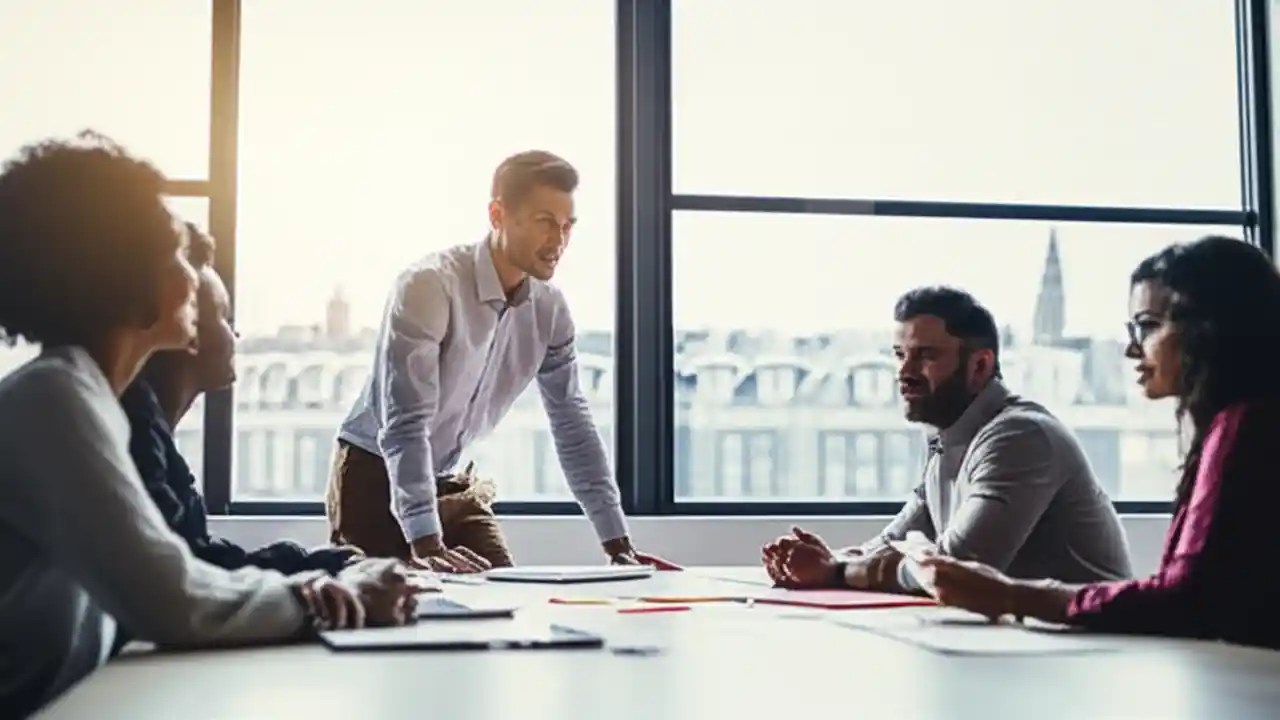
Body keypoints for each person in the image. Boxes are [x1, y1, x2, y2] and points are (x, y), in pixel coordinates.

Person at [0, 134, 415, 717]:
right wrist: (321, 599)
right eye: (174, 251)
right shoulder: (54, 399)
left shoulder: (77, 395)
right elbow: (171, 596)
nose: (194, 278)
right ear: (123, 272)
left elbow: (170, 577)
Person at [921, 237, 1280, 649]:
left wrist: (1012, 595)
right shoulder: (1243, 422)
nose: (1131, 349)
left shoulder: (1244, 425)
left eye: (1147, 326)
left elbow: (1186, 598)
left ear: (1211, 327)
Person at [327, 149, 674, 573]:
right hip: (371, 470)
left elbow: (572, 423)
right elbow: (404, 424)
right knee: (396, 608)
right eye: (546, 222)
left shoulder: (550, 310)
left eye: (567, 227)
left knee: (504, 592)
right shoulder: (428, 286)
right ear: (497, 215)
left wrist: (618, 544)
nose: (559, 241)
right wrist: (427, 543)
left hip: (445, 477)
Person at [762, 287, 1132, 593]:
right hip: (1028, 653)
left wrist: (837, 572)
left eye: (926, 356)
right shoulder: (948, 439)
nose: (904, 373)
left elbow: (954, 570)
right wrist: (821, 560)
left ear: (980, 366)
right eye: (900, 355)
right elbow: (889, 546)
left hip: (1090, 656)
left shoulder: (1020, 437)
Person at [122, 222, 358, 575]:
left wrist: (328, 564)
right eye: (224, 317)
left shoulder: (150, 427)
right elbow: (188, 573)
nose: (236, 333)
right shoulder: (130, 429)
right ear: (187, 327)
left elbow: (197, 557)